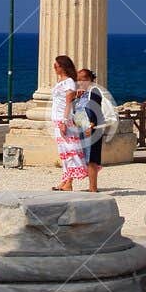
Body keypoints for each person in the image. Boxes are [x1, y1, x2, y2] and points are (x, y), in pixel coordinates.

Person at [50, 54, 89, 191]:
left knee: (70, 150)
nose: (54, 68)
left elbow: (68, 103)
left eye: (56, 65)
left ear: (62, 66)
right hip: (57, 120)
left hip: (64, 120)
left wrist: (64, 121)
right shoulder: (61, 82)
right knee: (64, 152)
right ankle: (65, 180)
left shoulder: (69, 83)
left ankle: (69, 183)